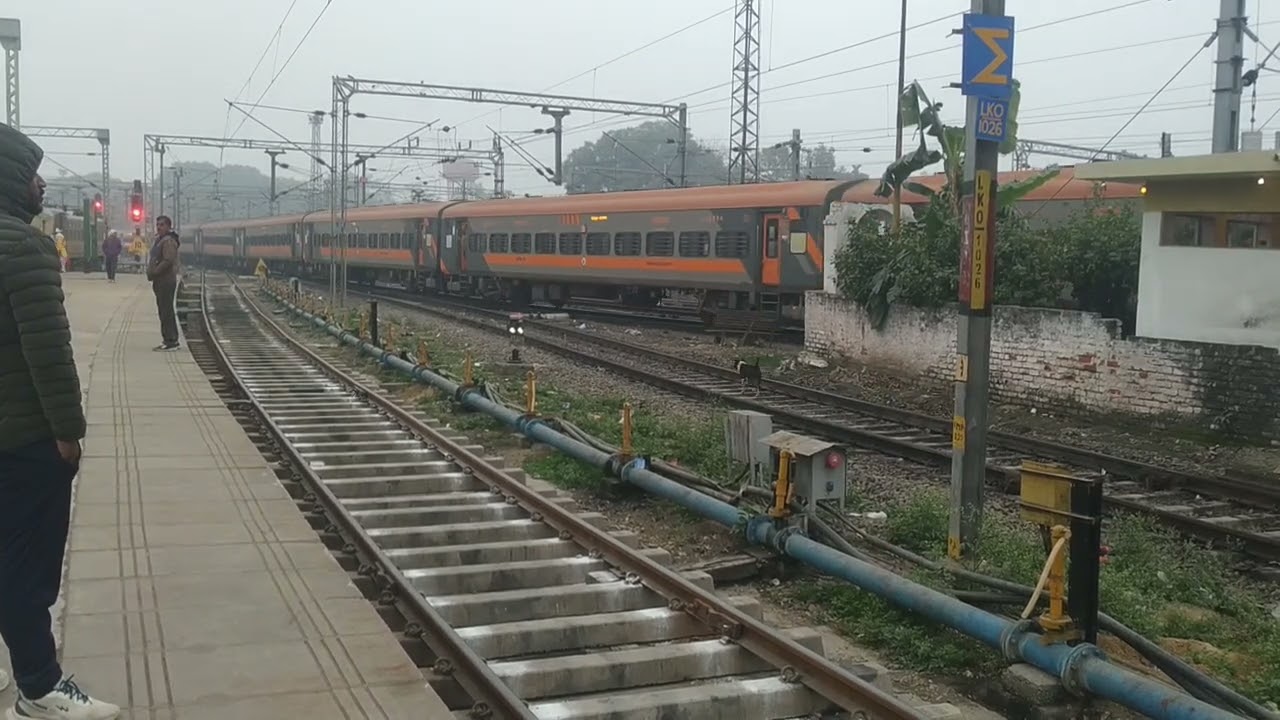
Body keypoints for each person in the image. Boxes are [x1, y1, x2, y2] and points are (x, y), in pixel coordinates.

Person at [0, 124, 121, 719]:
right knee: (25, 567)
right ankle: (39, 688)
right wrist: (69, 434)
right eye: (31, 174)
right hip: (24, 438)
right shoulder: (25, 247)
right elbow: (47, 352)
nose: (41, 184)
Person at [146, 215, 181, 351]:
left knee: (166, 311)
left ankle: (171, 340)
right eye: (158, 225)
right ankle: (168, 339)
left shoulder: (168, 241)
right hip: (160, 280)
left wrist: (155, 271)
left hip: (166, 280)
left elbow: (168, 260)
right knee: (164, 310)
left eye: (162, 225)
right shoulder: (160, 240)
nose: (159, 227)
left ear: (168, 226)